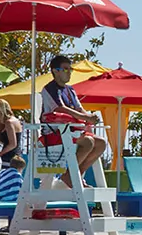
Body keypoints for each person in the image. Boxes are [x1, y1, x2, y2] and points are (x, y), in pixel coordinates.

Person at [40, 55, 105, 188]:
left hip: (71, 132)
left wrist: (90, 116)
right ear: (55, 71)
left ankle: (75, 175)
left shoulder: (70, 90)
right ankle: (69, 175)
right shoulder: (49, 89)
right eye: (65, 69)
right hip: (54, 134)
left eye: (70, 69)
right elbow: (60, 109)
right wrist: (87, 118)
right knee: (88, 142)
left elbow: (79, 108)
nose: (69, 72)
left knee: (101, 143)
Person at [0, 98, 24, 166]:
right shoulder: (13, 121)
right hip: (15, 157)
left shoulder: (9, 123)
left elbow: (12, 144)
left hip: (10, 158)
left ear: (2, 111)